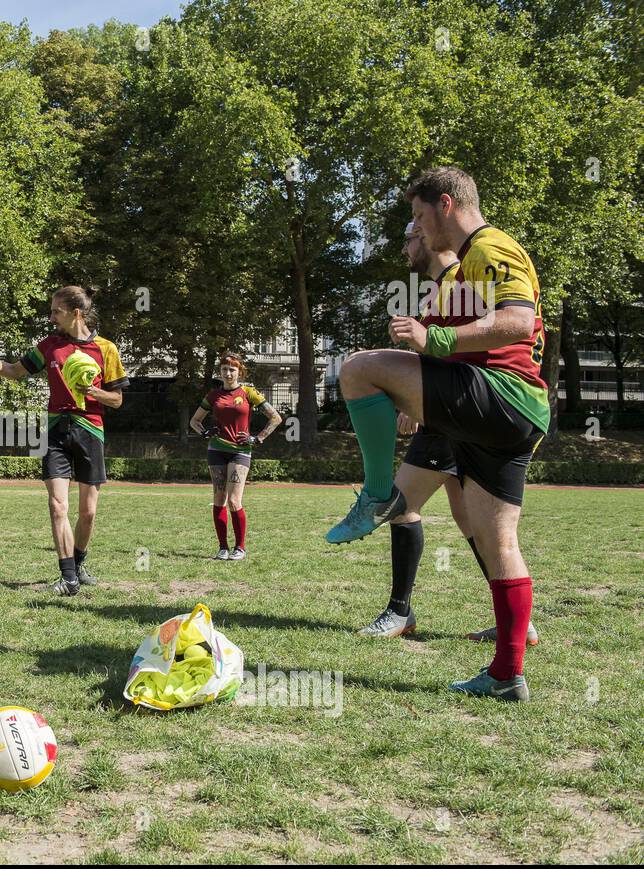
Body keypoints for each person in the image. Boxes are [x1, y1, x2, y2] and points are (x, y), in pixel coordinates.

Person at [327, 167, 548, 701]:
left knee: (358, 369)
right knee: (498, 543)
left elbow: (519, 322)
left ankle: (380, 493)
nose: (417, 229)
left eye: (418, 217)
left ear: (445, 205)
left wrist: (435, 336)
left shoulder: (489, 247)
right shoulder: (458, 273)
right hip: (516, 414)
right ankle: (506, 675)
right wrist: (420, 368)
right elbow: (454, 339)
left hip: (502, 394)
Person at [358, 222, 539, 644]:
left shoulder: (465, 281)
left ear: (426, 237)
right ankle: (516, 622)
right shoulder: (446, 288)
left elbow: (478, 347)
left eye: (408, 238)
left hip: (462, 415)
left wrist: (425, 403)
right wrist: (415, 401)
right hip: (463, 415)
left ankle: (400, 611)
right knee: (475, 523)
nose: (404, 249)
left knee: (401, 505)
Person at [0, 286, 128, 596]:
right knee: (57, 506)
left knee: (88, 512)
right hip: (55, 431)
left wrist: (93, 392)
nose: (51, 317)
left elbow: (117, 399)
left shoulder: (106, 349)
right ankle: (67, 577)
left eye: (57, 311)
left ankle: (78, 564)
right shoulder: (49, 346)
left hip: (90, 429)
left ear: (75, 313)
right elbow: (14, 371)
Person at [189, 354, 282, 560]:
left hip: (240, 451)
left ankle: (240, 548)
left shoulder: (249, 393)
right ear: (220, 372)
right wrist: (204, 432)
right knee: (219, 498)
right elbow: (195, 421)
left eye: (232, 369)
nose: (228, 373)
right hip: (216, 450)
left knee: (233, 500)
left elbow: (275, 417)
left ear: (240, 372)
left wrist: (257, 438)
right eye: (224, 369)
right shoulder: (213, 395)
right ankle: (222, 548)